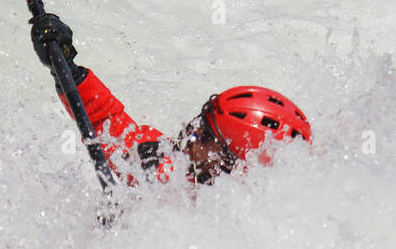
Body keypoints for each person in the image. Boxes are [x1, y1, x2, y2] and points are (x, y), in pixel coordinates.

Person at [29, 12, 312, 186]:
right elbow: (109, 125)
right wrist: (67, 70)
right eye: (201, 121)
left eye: (204, 137)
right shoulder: (167, 166)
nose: (188, 134)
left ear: (233, 167)